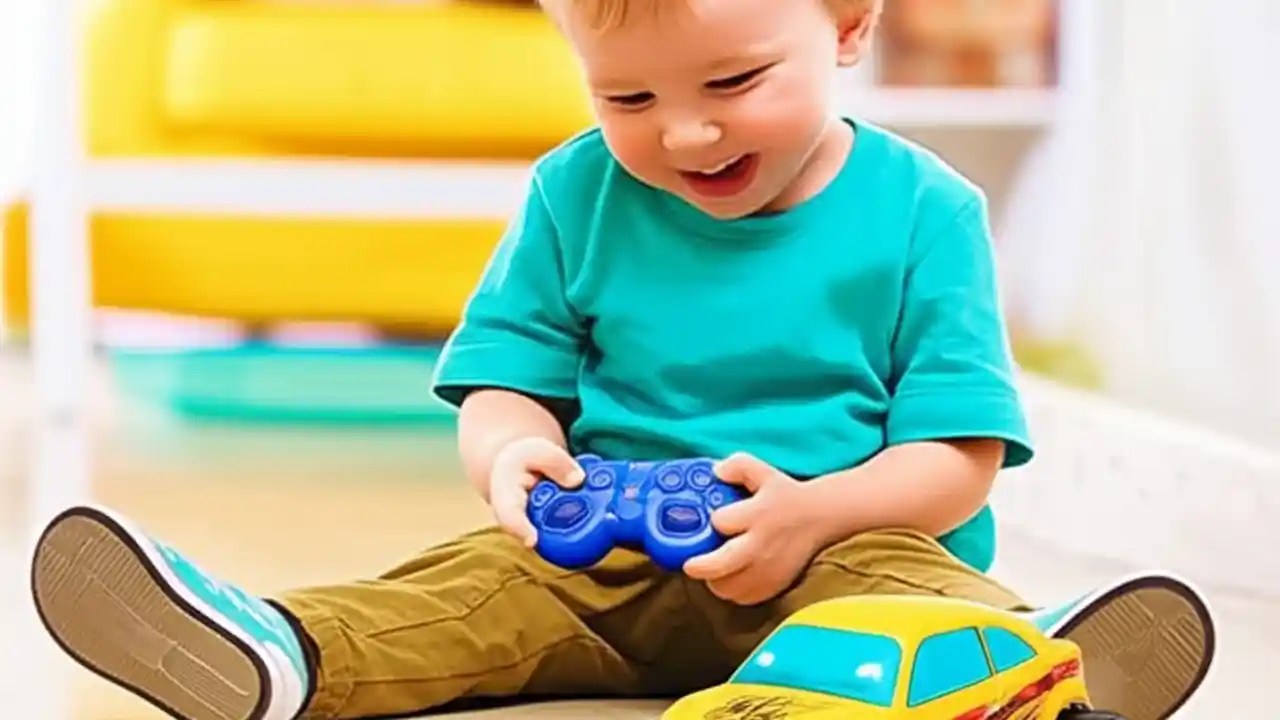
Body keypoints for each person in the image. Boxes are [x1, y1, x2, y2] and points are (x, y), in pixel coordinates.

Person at [29, 1, 1215, 719]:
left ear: (847, 25)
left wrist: (811, 515)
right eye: (626, 94)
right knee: (460, 594)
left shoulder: (924, 211)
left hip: (839, 545)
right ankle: (279, 653)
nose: (686, 130)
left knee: (919, 609)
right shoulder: (571, 192)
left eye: (735, 81)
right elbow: (507, 380)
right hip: (600, 554)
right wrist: (513, 458)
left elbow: (954, 457)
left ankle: (1027, 666)